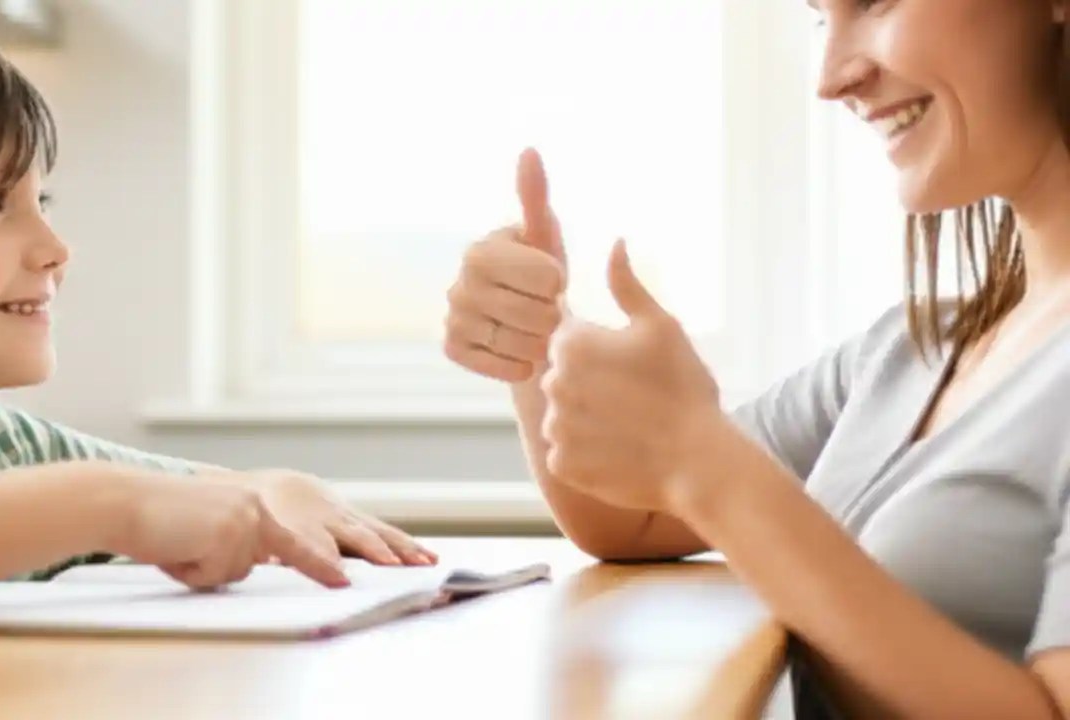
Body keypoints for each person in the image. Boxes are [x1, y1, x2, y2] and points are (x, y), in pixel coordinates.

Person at [445, 1, 1070, 717]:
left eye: (873, 2)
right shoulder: (911, 349)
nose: (831, 78)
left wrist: (707, 467)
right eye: (819, 19)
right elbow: (632, 517)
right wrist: (536, 336)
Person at [0, 13, 436, 631]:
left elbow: (197, 496)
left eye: (38, 200)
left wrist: (275, 489)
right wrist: (97, 504)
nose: (54, 247)